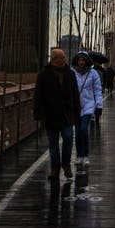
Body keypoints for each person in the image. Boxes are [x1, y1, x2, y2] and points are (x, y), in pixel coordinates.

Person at [33, 48, 80, 181]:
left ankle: (66, 164)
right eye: (59, 58)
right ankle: (55, 168)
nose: (62, 60)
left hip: (67, 114)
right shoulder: (43, 74)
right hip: (50, 115)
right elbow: (38, 95)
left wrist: (77, 113)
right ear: (53, 60)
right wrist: (38, 115)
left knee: (68, 138)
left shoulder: (70, 74)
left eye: (63, 58)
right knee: (53, 144)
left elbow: (75, 94)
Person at [71, 51, 103, 167]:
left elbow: (98, 90)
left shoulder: (93, 73)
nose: (81, 62)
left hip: (88, 105)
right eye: (79, 60)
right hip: (75, 106)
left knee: (84, 129)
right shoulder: (72, 72)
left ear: (87, 61)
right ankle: (79, 156)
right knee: (78, 131)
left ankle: (85, 155)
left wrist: (99, 105)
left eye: (83, 60)